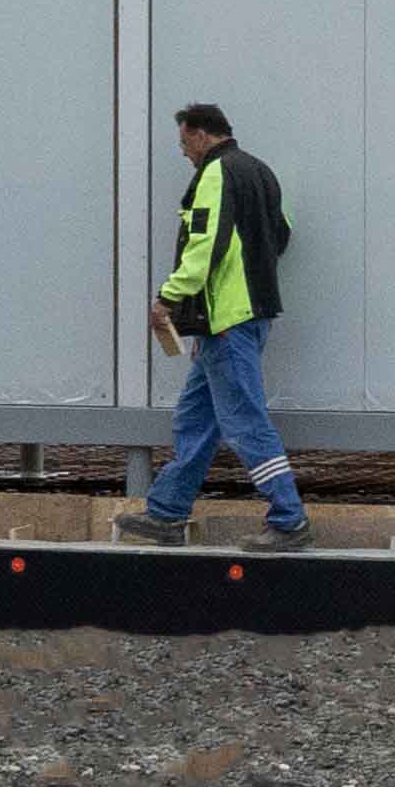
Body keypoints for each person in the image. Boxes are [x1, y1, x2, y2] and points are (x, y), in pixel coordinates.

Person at [122, 98, 305, 545]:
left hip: (227, 322)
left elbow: (204, 245)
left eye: (184, 144)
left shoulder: (216, 173)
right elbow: (281, 233)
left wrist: (169, 297)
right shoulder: (261, 171)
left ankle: (290, 519)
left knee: (245, 422)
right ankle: (166, 513)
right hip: (241, 318)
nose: (184, 153)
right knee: (195, 420)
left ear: (201, 135)